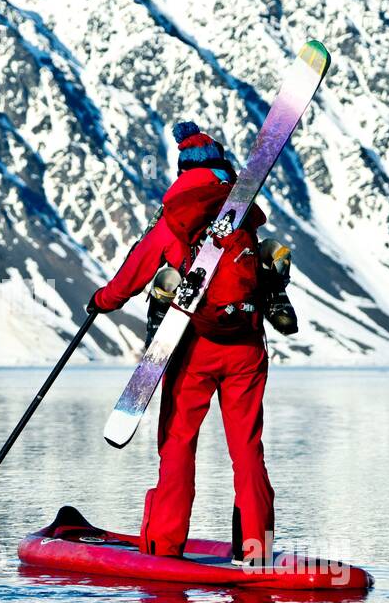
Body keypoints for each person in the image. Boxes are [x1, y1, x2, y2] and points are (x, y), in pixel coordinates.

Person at [89, 121, 274, 565]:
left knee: (178, 445)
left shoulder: (177, 219)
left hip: (192, 347)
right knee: (246, 448)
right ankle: (256, 548)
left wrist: (100, 301)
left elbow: (132, 277)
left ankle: (165, 547)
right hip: (247, 346)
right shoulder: (242, 212)